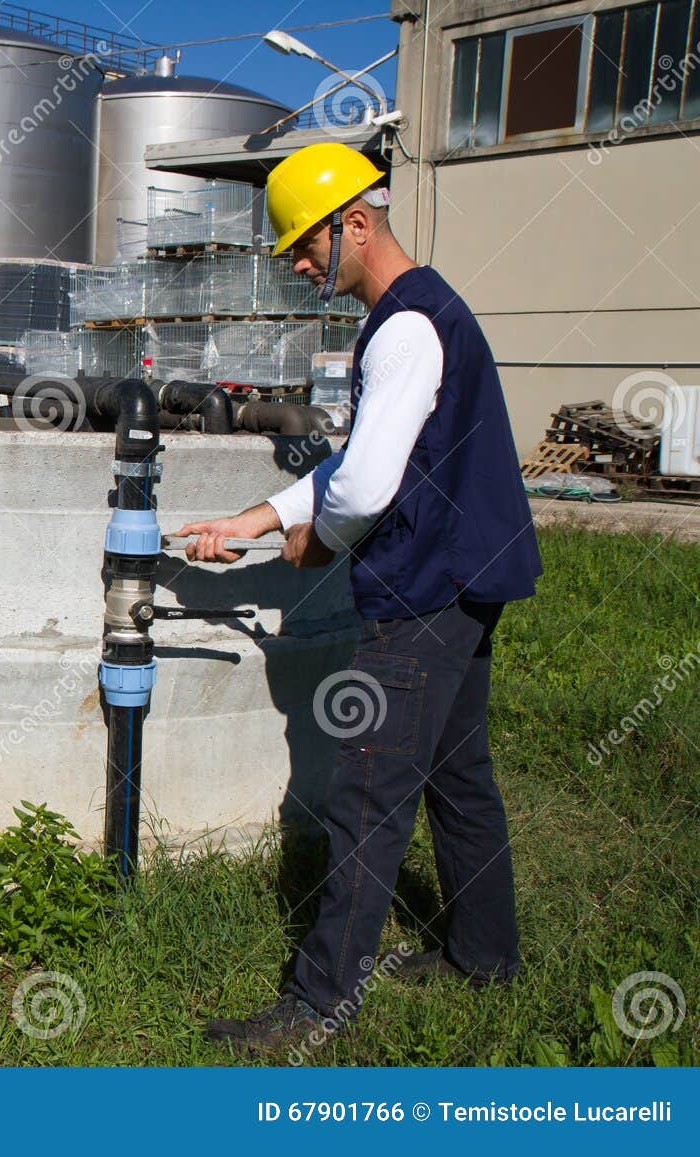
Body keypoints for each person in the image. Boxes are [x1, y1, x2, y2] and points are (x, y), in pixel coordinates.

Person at [177, 142, 543, 1054]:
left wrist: (315, 540)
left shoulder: (406, 327)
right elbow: (363, 460)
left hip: (425, 590)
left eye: (305, 245)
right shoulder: (425, 315)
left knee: (367, 791)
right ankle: (484, 957)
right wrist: (261, 516)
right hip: (463, 581)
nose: (300, 266)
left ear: (356, 223)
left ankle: (315, 1003)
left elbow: (368, 488)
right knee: (459, 780)